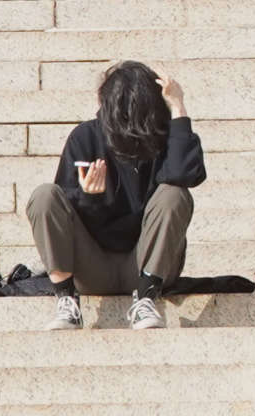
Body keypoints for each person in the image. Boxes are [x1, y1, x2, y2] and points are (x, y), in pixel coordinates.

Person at [24, 61, 206, 331]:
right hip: (92, 266)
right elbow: (58, 214)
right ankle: (66, 299)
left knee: (173, 193)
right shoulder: (86, 137)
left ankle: (146, 299)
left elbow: (185, 175)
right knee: (44, 195)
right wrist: (88, 197)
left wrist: (178, 108)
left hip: (149, 264)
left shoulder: (168, 135)